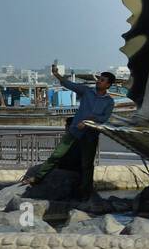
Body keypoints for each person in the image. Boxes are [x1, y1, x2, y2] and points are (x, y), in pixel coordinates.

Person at [23, 65, 116, 200]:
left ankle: (86, 192)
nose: (98, 81)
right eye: (99, 79)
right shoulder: (87, 92)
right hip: (75, 131)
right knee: (56, 155)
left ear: (108, 85)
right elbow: (69, 84)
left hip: (90, 135)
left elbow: (104, 118)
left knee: (87, 164)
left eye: (102, 80)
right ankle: (37, 178)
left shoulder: (109, 102)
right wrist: (57, 75)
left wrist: (89, 120)